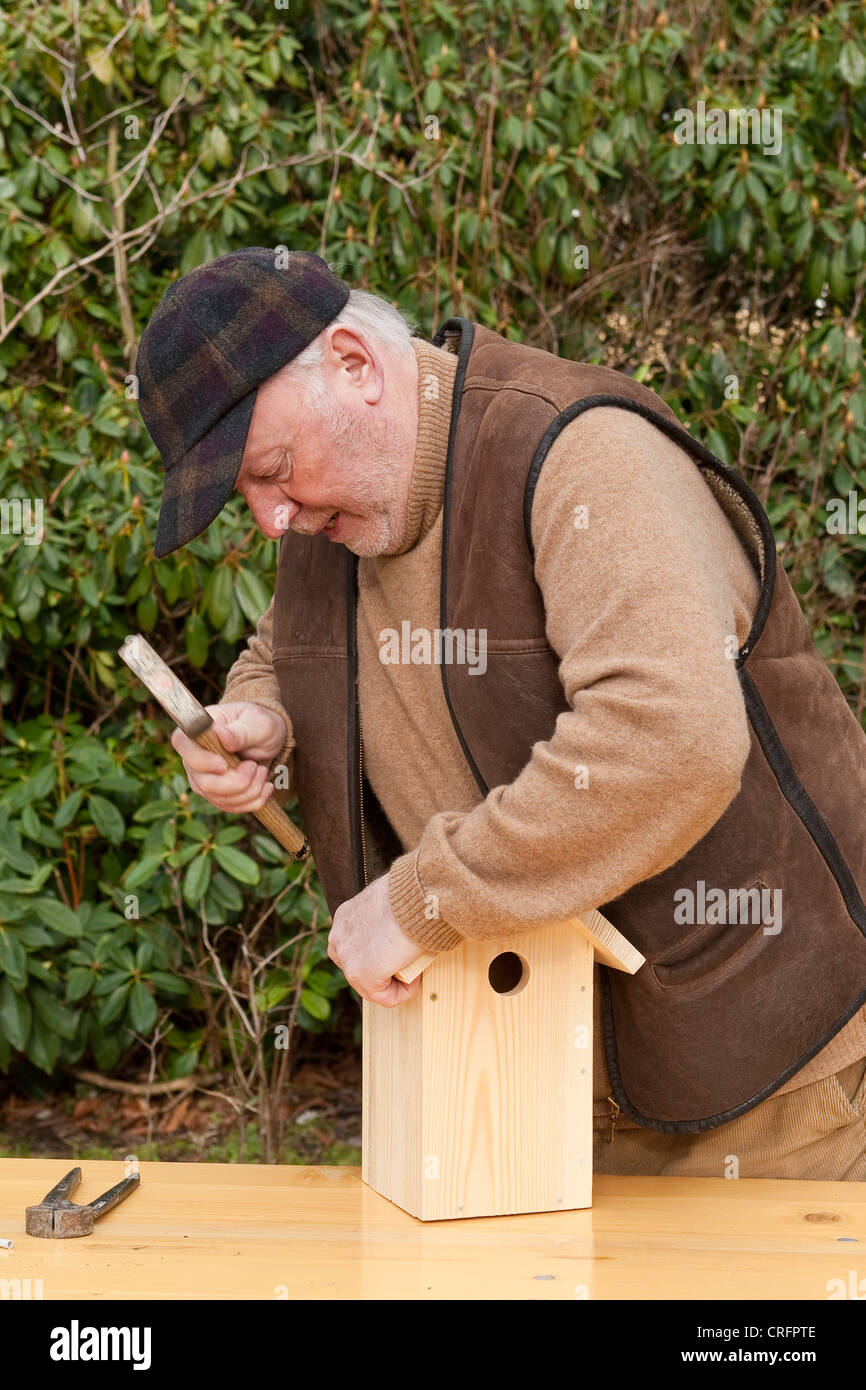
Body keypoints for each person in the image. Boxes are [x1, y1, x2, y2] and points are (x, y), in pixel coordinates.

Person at [135, 246, 866, 1180]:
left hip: (767, 1075)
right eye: (249, 495)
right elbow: (285, 650)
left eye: (271, 469)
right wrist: (260, 723)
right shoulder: (335, 507)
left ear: (356, 364)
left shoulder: (581, 454)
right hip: (534, 1068)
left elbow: (670, 738)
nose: (271, 519)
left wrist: (423, 899)